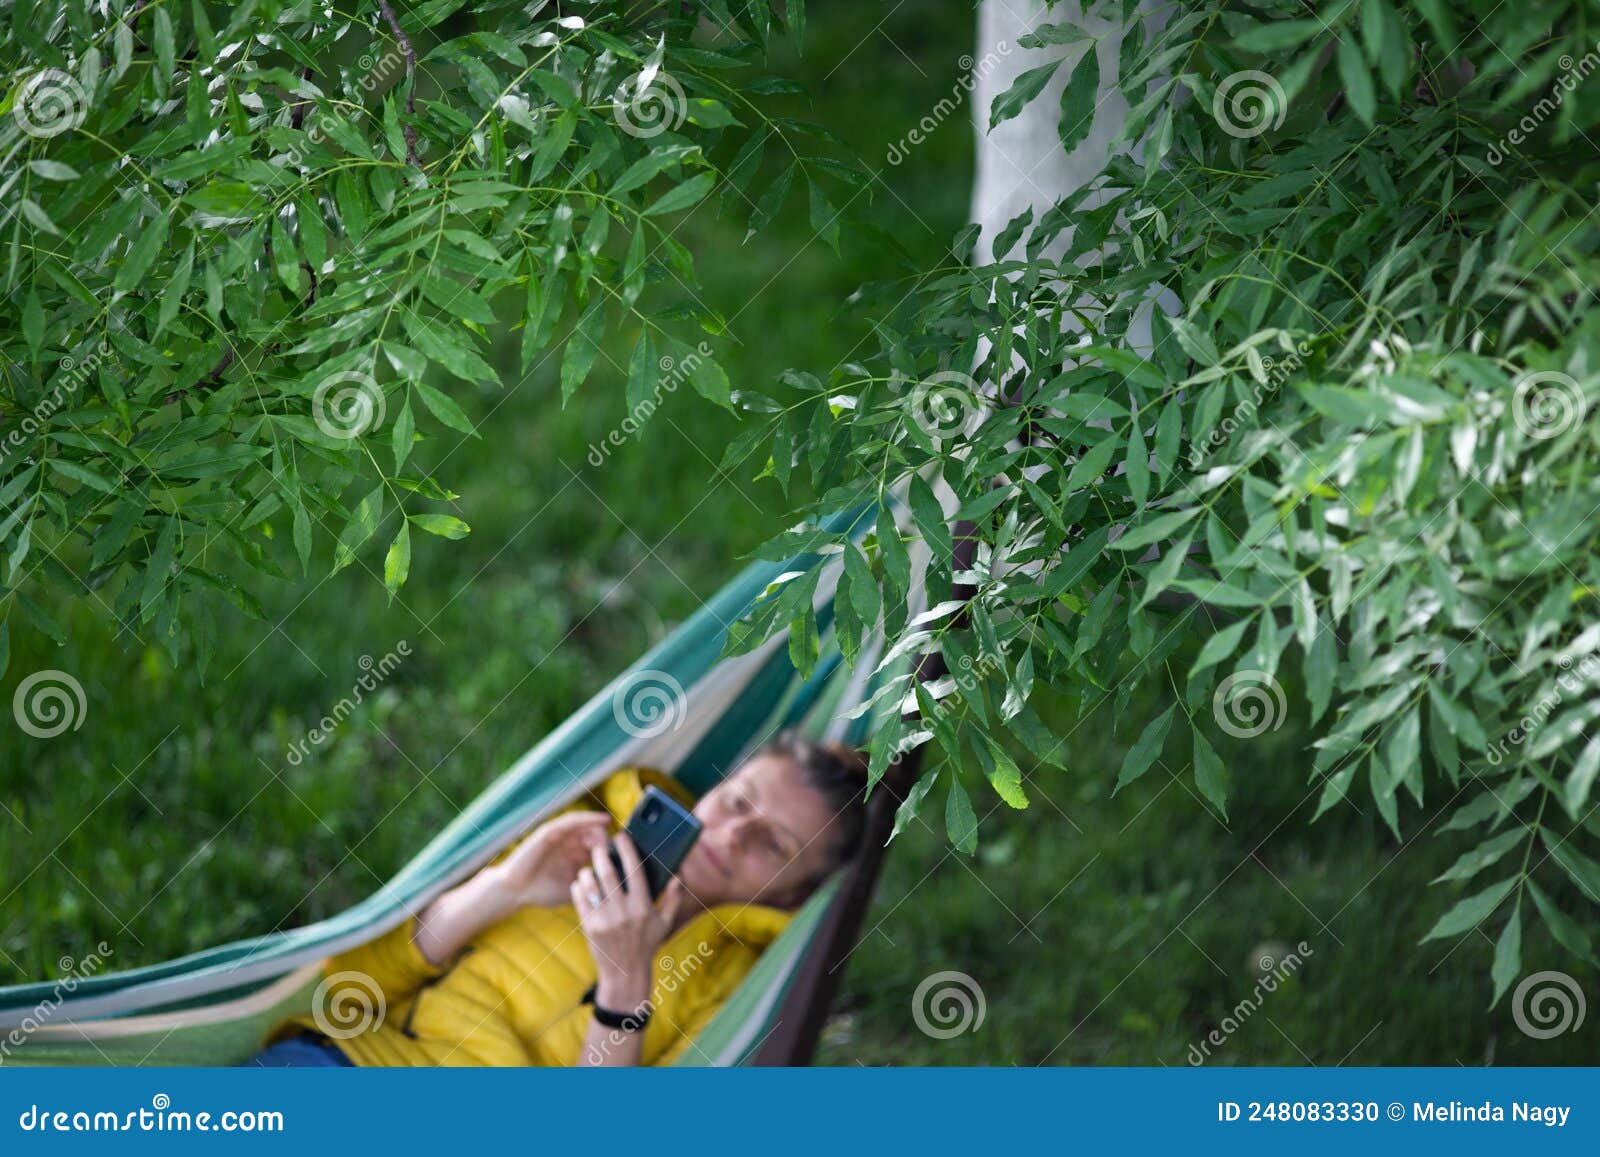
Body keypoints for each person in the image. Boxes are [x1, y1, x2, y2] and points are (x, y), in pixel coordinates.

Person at [247, 733, 867, 1067]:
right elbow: (349, 984)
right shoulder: (581, 830)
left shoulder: (741, 988)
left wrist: (624, 988)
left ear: (794, 892)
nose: (732, 836)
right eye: (738, 801)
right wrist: (502, 889)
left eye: (774, 844)